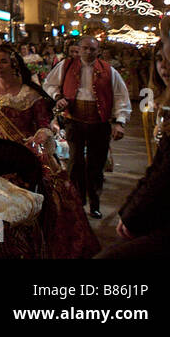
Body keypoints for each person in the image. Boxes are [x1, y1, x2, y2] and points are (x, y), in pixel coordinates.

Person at [0, 43, 97, 258]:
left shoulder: (31, 94)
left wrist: (41, 136)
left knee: (53, 194)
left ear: (15, 63)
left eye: (4, 61)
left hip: (27, 153)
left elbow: (43, 125)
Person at [99, 8, 170, 258]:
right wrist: (131, 210)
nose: (163, 64)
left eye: (168, 53)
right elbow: (157, 169)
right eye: (160, 57)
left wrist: (134, 215)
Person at [42, 32, 130, 218]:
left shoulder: (109, 70)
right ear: (79, 50)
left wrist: (120, 122)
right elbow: (48, 84)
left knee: (96, 165)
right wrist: (58, 97)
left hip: (99, 123)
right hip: (74, 120)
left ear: (98, 51)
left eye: (92, 49)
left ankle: (95, 203)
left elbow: (121, 96)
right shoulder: (65, 66)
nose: (88, 52)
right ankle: (78, 200)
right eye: (85, 48)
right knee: (75, 163)